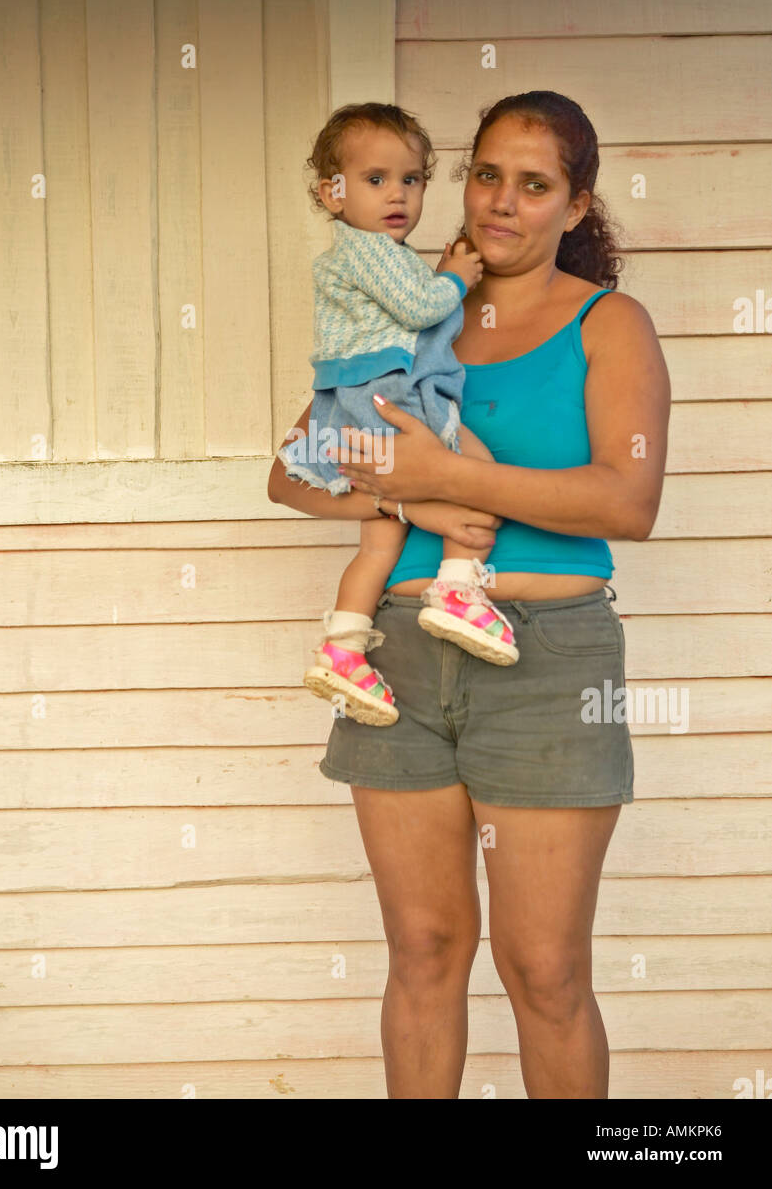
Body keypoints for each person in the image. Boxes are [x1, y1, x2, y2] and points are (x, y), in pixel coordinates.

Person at [268, 90, 671, 1098]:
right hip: (398, 659)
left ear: (575, 206)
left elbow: (626, 501)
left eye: (533, 185)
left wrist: (440, 482)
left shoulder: (605, 322)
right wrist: (410, 499)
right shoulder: (417, 304)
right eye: (485, 174)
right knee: (424, 950)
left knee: (544, 971)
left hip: (546, 658)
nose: (500, 201)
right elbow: (289, 472)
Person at [277, 103, 518, 731]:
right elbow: (417, 308)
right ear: (332, 194)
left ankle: (344, 649)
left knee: (378, 543)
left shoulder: (368, 255)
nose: (398, 195)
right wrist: (457, 277)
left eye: (411, 180)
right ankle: (459, 591)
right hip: (394, 398)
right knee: (479, 480)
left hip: (360, 402)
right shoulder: (371, 252)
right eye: (375, 179)